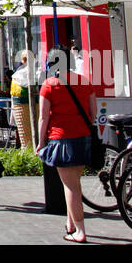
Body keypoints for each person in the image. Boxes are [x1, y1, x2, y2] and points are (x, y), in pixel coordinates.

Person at [37, 62, 98, 242]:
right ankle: (70, 224)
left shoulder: (49, 85)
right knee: (74, 183)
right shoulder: (85, 82)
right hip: (83, 137)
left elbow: (43, 116)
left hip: (61, 138)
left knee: (70, 186)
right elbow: (93, 113)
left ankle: (80, 230)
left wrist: (40, 142)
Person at [10, 50, 36, 151]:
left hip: (19, 105)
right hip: (33, 104)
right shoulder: (37, 73)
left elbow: (13, 93)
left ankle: (25, 149)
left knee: (23, 131)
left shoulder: (18, 73)